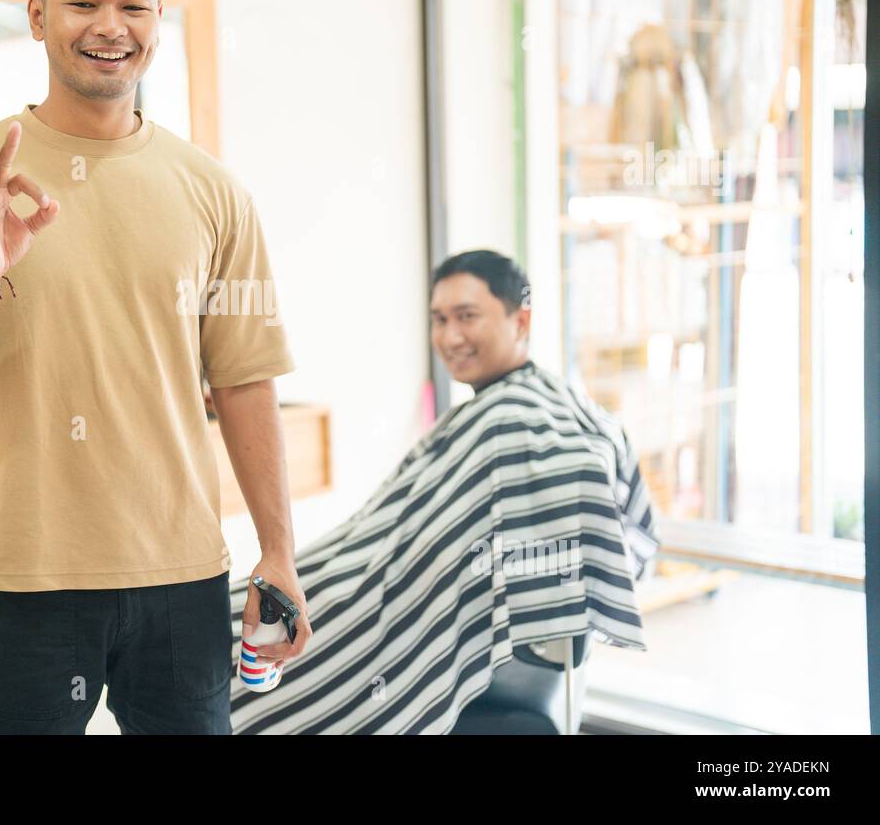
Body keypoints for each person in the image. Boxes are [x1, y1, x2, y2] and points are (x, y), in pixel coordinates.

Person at [0, 0, 310, 734]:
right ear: (37, 16)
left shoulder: (213, 191)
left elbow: (244, 377)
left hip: (182, 584)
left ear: (158, 22)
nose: (110, 25)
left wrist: (278, 550)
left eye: (134, 5)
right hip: (24, 586)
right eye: (83, 2)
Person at [227, 250, 659, 734]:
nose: (450, 337)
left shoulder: (514, 419)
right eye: (439, 319)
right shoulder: (529, 401)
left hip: (383, 600)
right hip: (370, 568)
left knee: (241, 632)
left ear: (521, 319)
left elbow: (576, 475)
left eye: (468, 317)